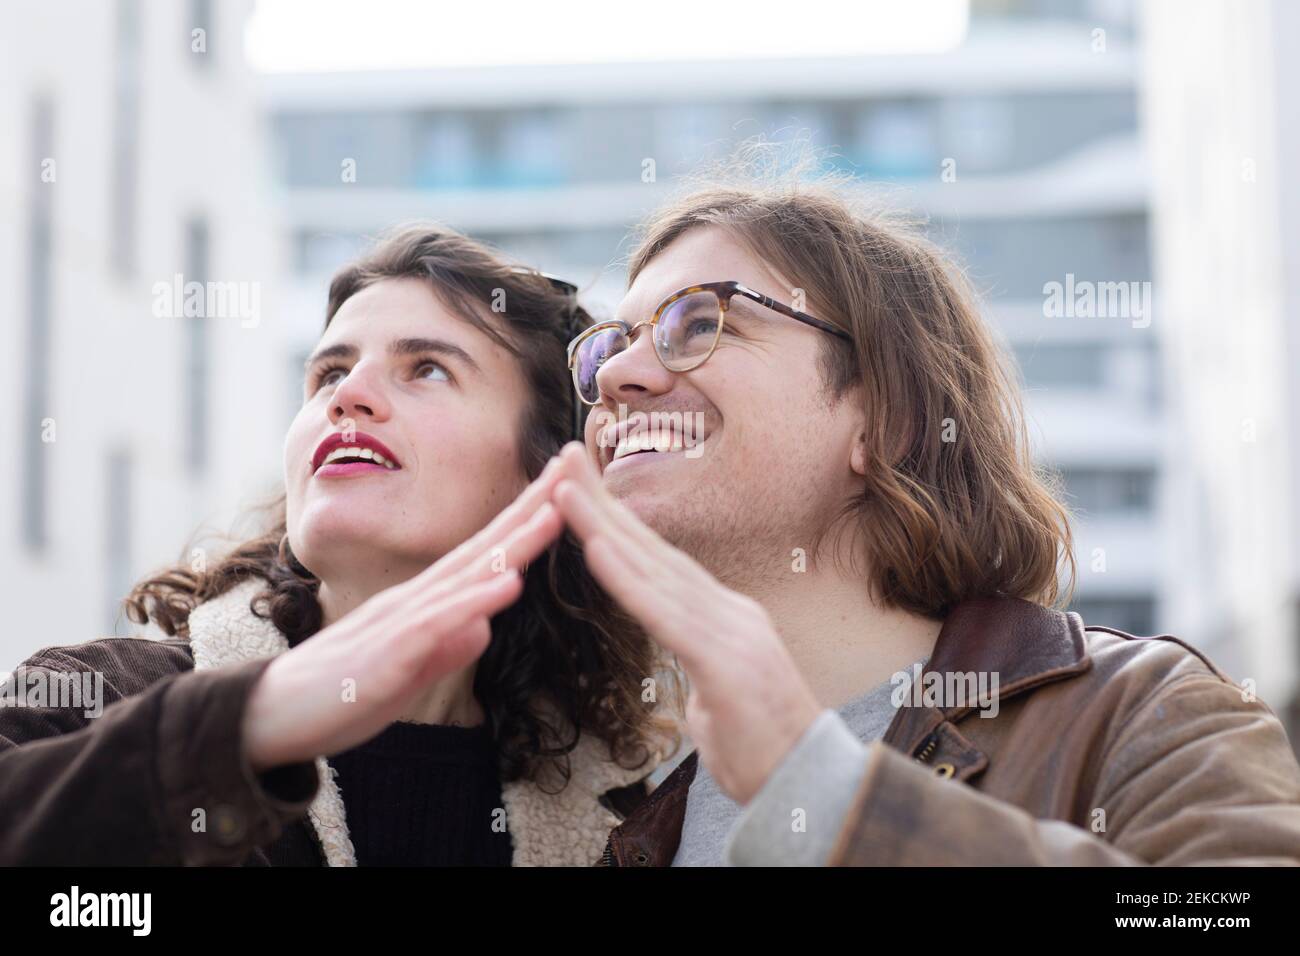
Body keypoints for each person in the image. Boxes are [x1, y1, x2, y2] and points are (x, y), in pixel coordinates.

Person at [550, 158, 1300, 866]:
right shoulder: (628, 809)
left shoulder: (1143, 716)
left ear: (889, 418)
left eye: (699, 324)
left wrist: (835, 799)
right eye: (609, 346)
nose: (616, 374)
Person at [0, 224, 677, 866]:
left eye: (428, 369)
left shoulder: (626, 823)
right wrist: (246, 726)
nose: (348, 395)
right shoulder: (94, 698)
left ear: (546, 471)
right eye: (327, 374)